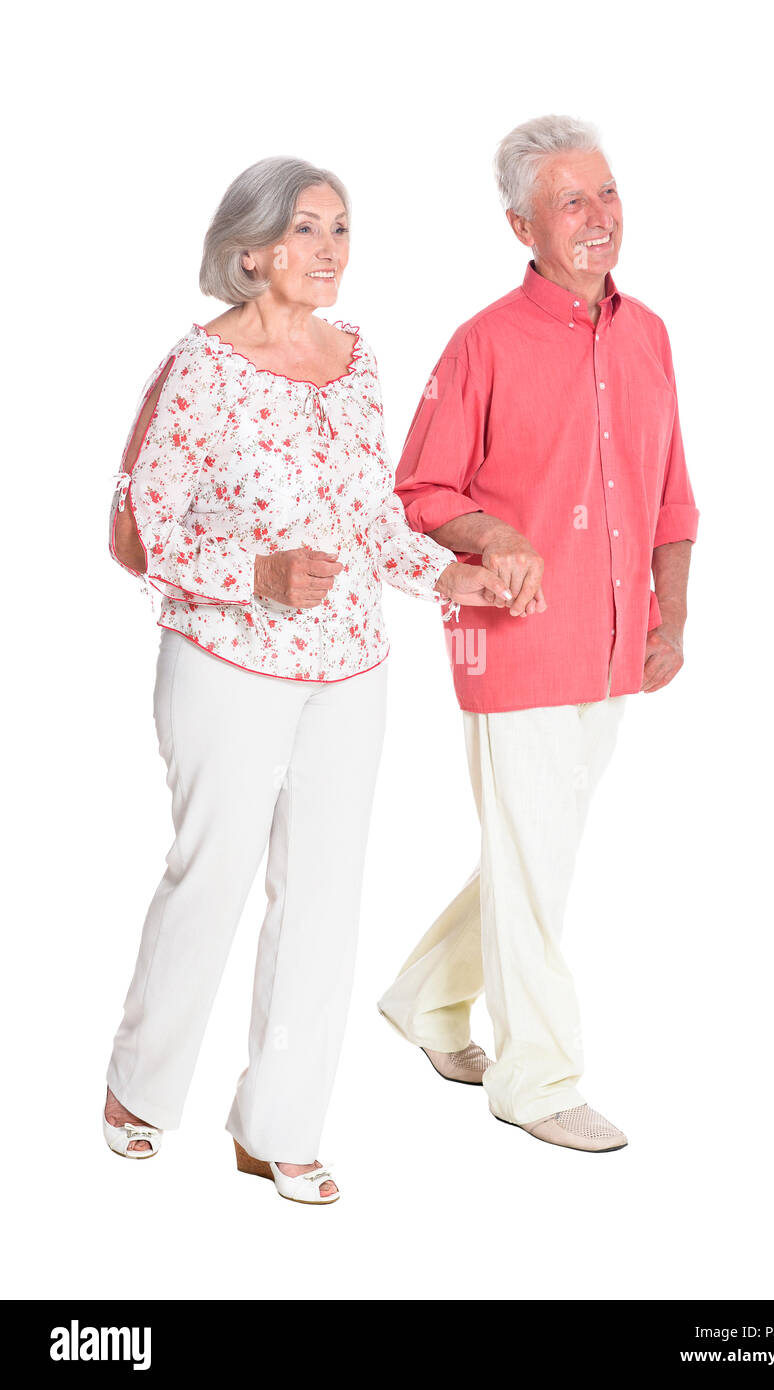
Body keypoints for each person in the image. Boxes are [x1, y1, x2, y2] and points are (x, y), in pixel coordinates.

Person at [103, 156, 506, 1203]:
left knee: (324, 894)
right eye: (307, 231)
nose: (330, 250)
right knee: (215, 870)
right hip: (226, 661)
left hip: (351, 665)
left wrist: (451, 575)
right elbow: (140, 530)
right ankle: (140, 1089)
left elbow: (373, 523)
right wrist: (258, 575)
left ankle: (280, 1123)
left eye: (340, 229)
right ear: (252, 252)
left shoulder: (359, 360)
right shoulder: (199, 369)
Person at [377, 115, 699, 1153]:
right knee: (532, 856)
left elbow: (672, 497)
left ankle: (427, 997)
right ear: (520, 222)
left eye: (607, 193)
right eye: (572, 201)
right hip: (509, 638)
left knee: (533, 857)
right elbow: (420, 489)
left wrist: (671, 615)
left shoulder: (648, 333)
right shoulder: (481, 343)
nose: (599, 217)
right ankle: (536, 1077)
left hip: (613, 642)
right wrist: (495, 528)